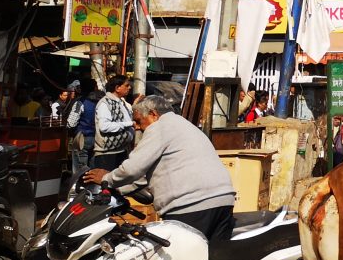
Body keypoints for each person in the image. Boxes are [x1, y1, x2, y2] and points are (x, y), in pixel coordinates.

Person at [84, 94, 237, 240]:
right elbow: (145, 175)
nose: (136, 127)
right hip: (223, 200)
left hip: (192, 206)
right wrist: (119, 189)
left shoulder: (160, 127)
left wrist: (106, 179)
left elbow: (133, 168)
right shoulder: (183, 125)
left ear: (153, 114)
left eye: (138, 120)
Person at [92, 74, 137, 172]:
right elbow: (104, 127)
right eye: (126, 85)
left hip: (122, 151)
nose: (129, 87)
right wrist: (129, 124)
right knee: (106, 184)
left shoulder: (122, 102)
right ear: (117, 88)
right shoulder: (105, 103)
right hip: (108, 155)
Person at [65, 80, 98, 179]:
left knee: (80, 168)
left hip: (82, 138)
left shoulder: (80, 102)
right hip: (96, 138)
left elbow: (71, 123)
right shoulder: (101, 102)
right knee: (92, 166)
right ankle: (91, 188)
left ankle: (79, 187)